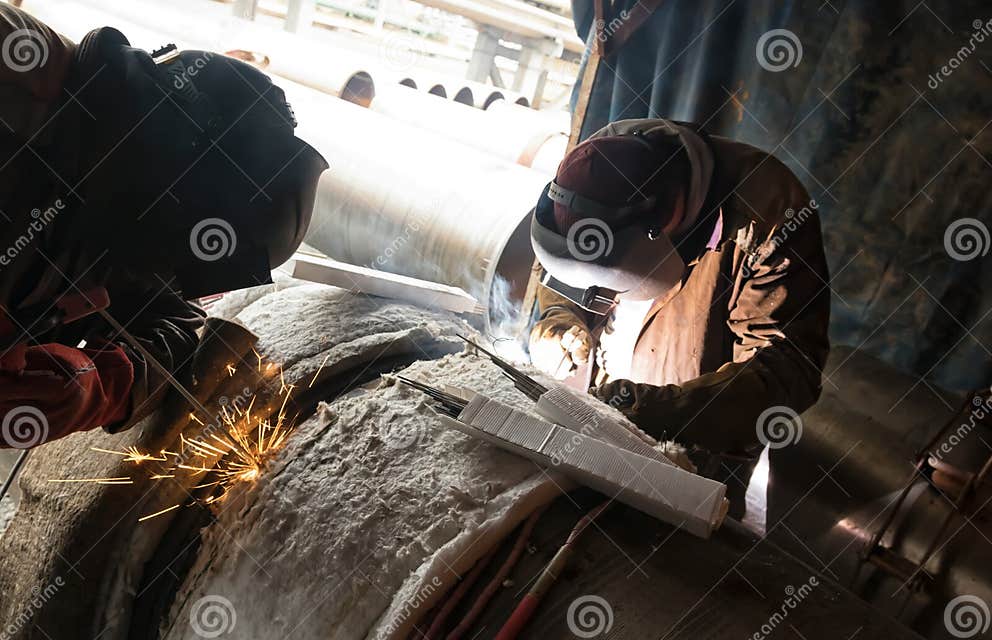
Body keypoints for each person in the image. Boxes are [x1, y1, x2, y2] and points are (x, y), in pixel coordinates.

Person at [0, 6, 327, 448]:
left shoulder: (131, 225)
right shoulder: (22, 69)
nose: (158, 272)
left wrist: (103, 387)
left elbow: (175, 323)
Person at [529, 118, 830, 456]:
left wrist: (658, 411)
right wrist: (560, 317)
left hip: (687, 450)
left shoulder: (768, 212)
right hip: (596, 410)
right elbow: (567, 266)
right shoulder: (591, 167)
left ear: (666, 222)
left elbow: (786, 371)